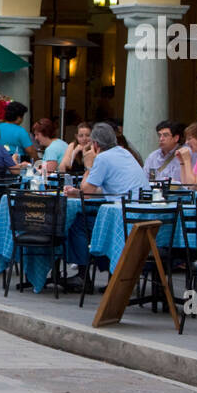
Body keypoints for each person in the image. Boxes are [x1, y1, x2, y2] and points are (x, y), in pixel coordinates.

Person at [62, 123, 151, 288]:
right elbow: (110, 187)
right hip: (141, 213)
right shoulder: (124, 153)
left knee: (78, 223)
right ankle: (109, 273)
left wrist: (89, 165)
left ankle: (83, 276)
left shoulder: (102, 158)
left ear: (95, 145)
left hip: (124, 217)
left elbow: (87, 190)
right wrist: (79, 192)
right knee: (93, 221)